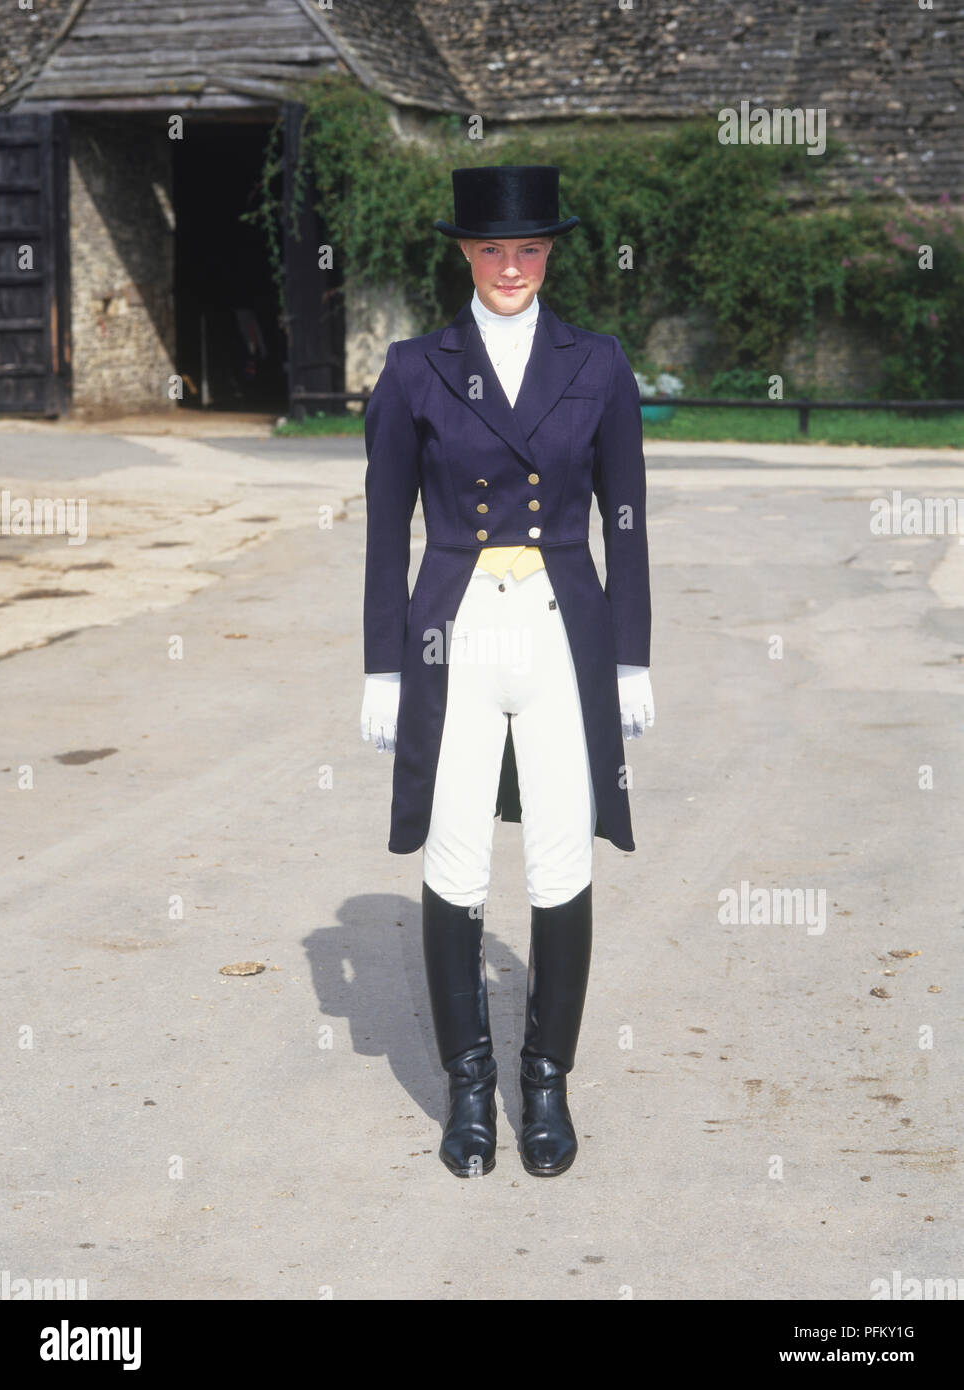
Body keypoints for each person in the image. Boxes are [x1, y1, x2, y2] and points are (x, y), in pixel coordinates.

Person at [360, 165, 653, 1177]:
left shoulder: (600, 364)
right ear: (463, 254)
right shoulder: (411, 370)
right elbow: (384, 531)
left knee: (562, 858)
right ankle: (469, 1086)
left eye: (528, 247)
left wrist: (630, 655)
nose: (511, 266)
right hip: (454, 636)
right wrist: (383, 667)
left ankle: (546, 1084)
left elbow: (625, 522)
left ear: (552, 252)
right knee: (455, 861)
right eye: (492, 248)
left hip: (560, 632)